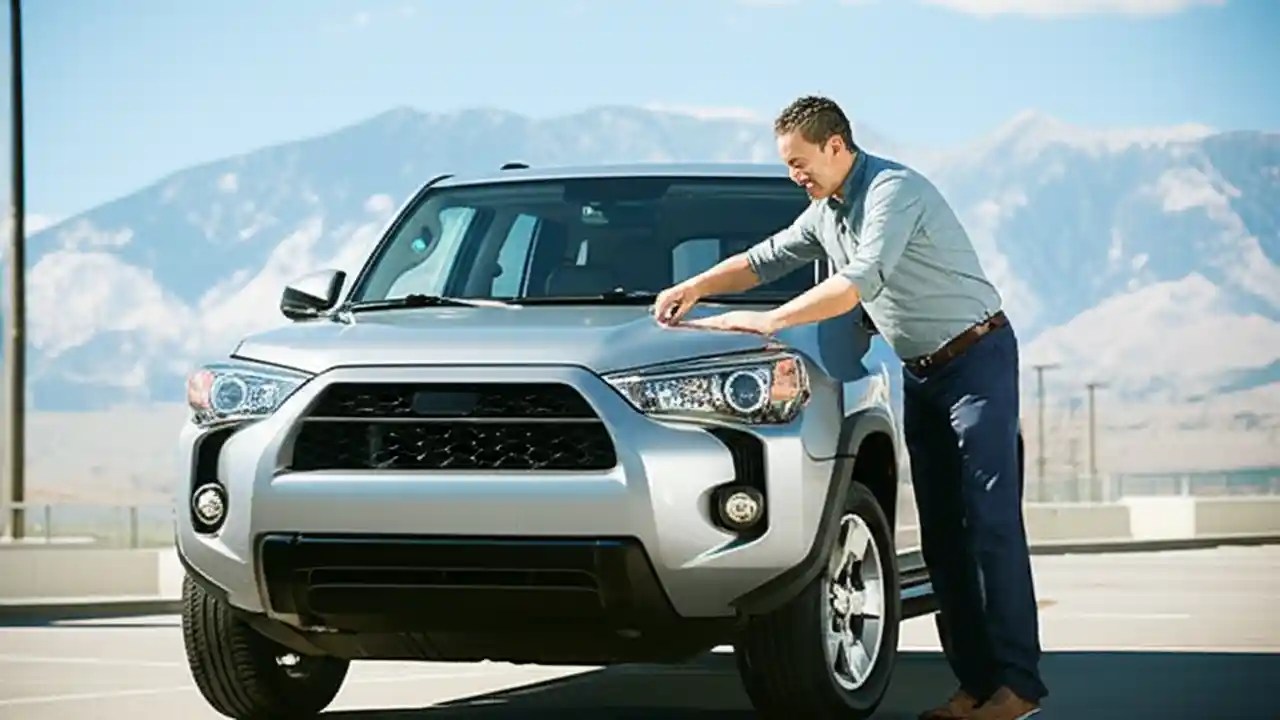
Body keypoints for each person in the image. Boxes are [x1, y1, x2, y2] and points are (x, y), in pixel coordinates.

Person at [652, 95, 1048, 720]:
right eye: (787, 166)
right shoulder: (825, 211)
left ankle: (1019, 686)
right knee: (944, 539)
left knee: (990, 524)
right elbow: (764, 260)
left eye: (799, 163)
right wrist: (695, 286)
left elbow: (858, 280)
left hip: (977, 362)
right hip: (923, 375)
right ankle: (976, 686)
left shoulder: (893, 191)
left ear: (837, 145)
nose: (795, 176)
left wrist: (773, 322)